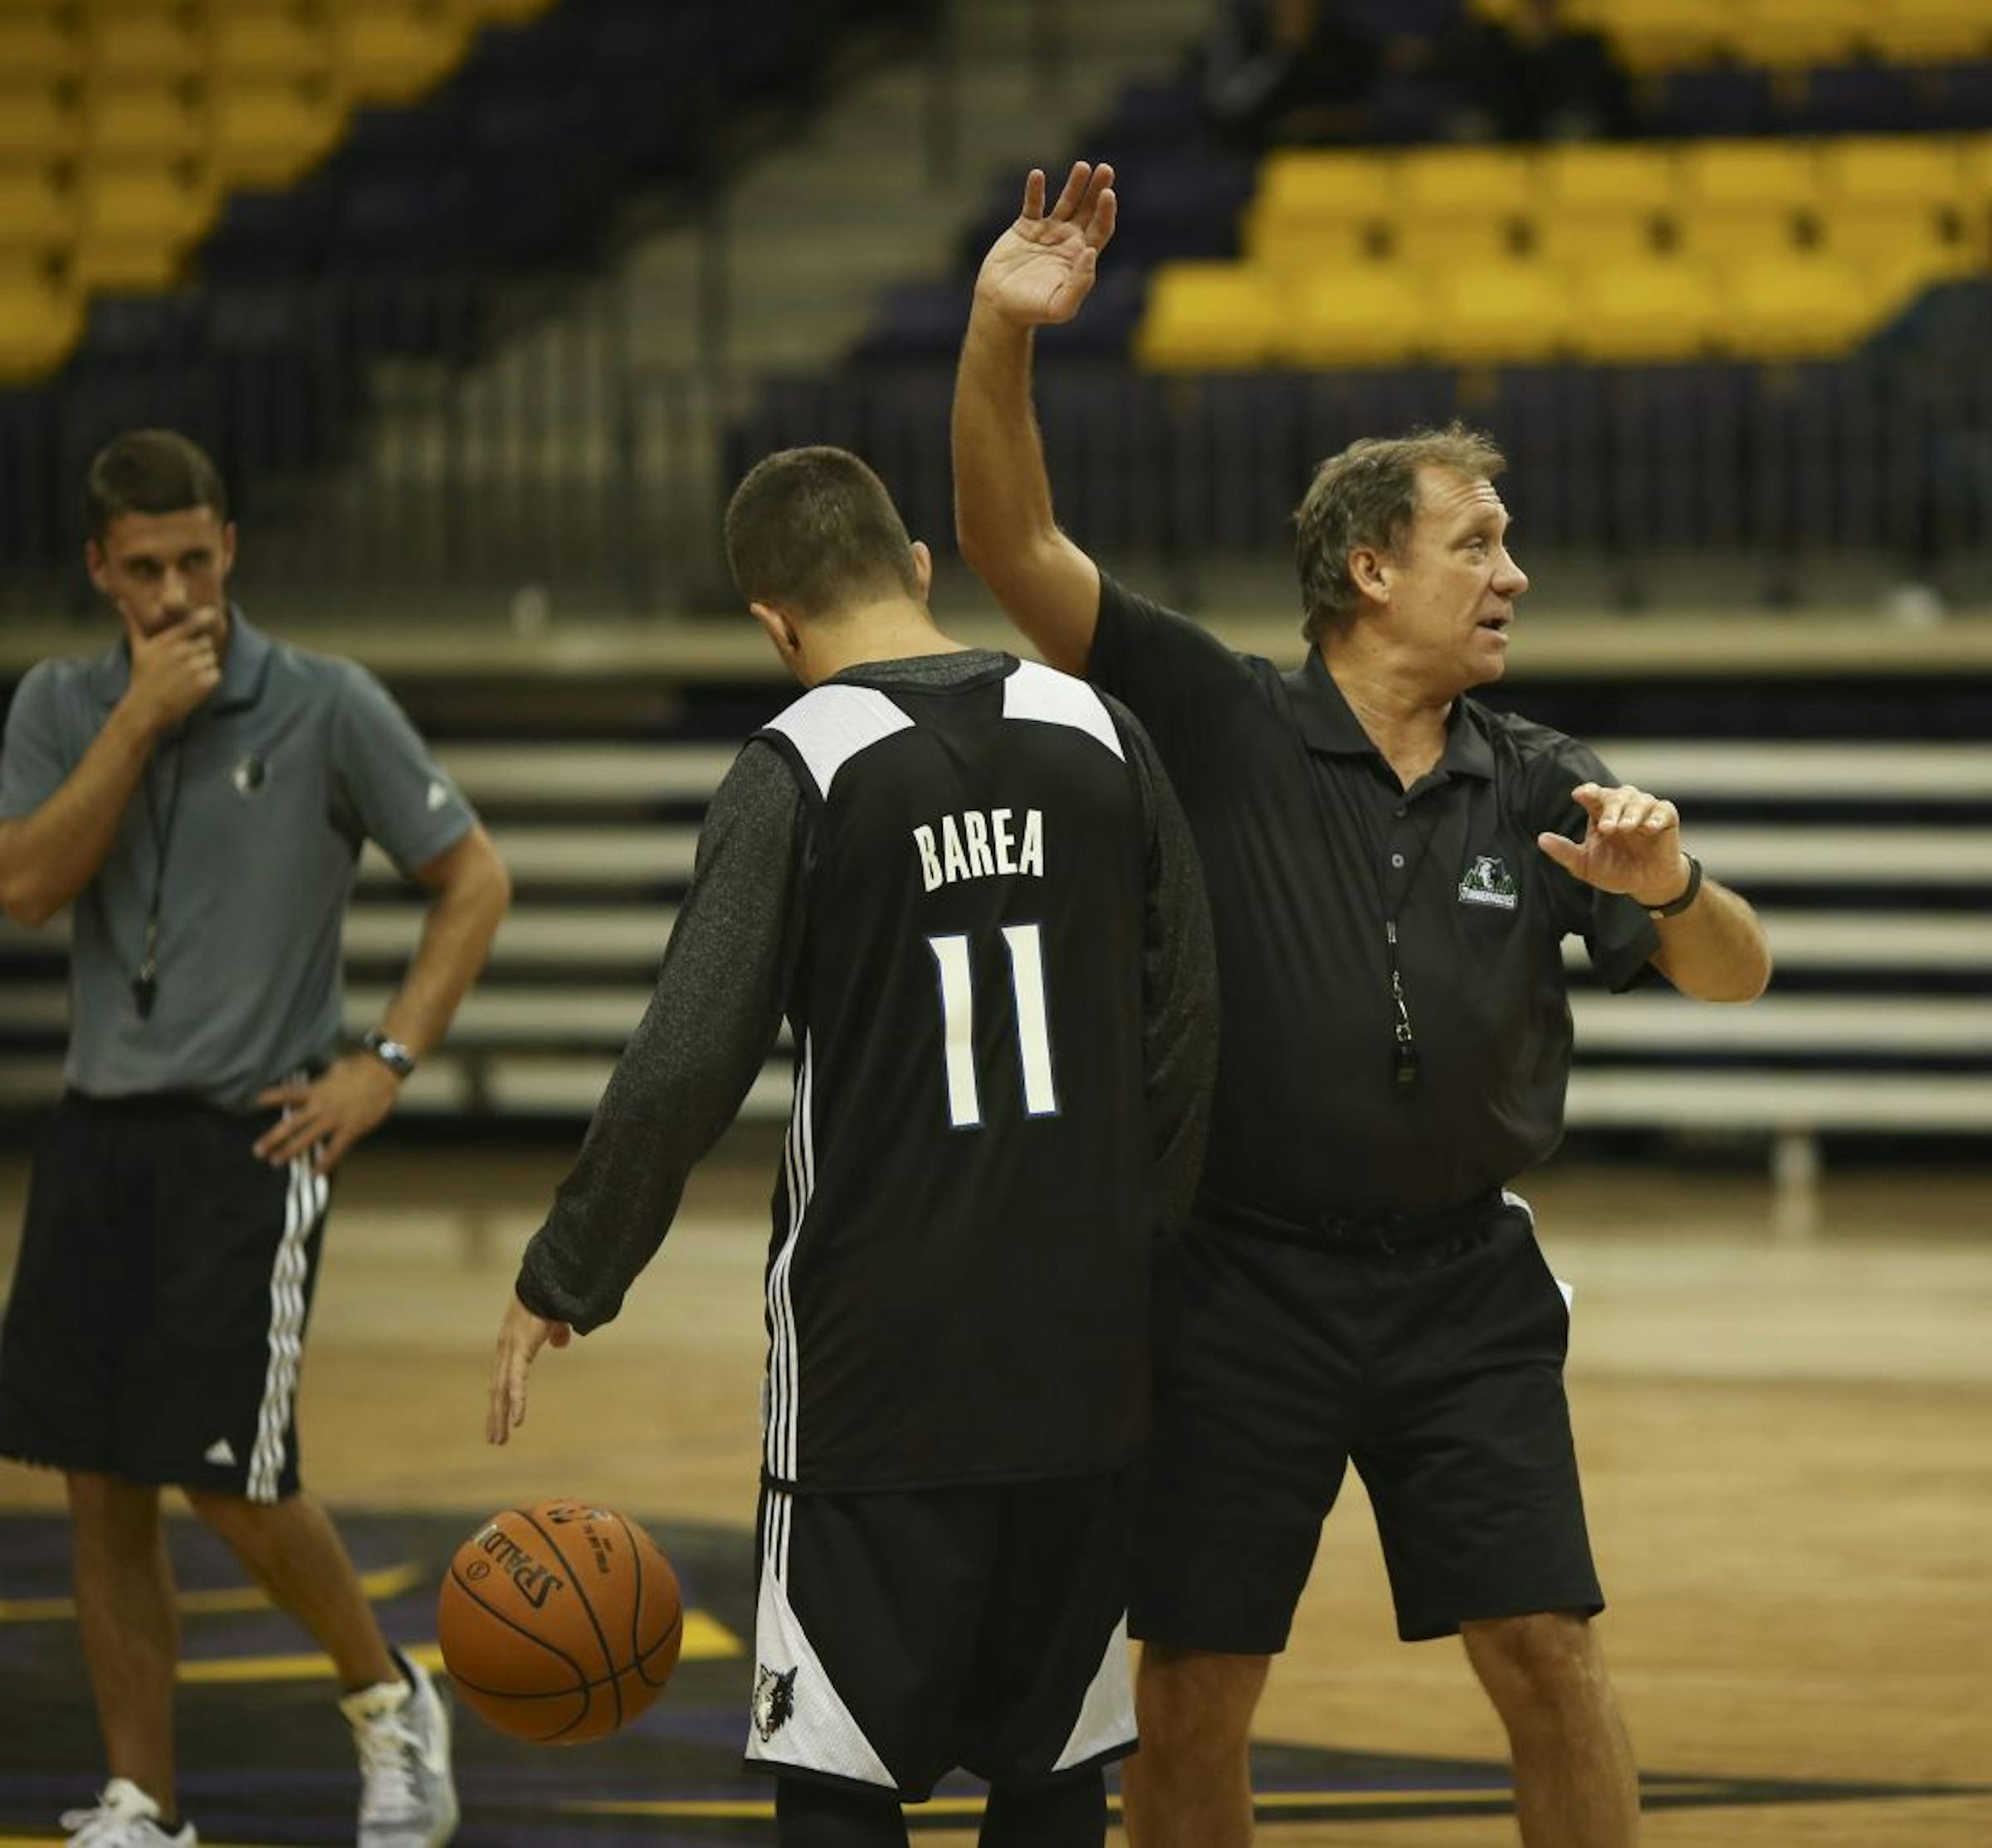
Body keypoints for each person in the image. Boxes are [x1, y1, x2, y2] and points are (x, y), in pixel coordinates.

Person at [952, 164, 1774, 1848]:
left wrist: (1672, 890)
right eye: (1478, 544)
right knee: (1189, 1692)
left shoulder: (1545, 777)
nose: (1514, 576)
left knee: (1549, 1656)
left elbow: (1735, 969)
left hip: (1468, 1291)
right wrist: (997, 335)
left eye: (1509, 545)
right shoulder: (1220, 717)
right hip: (1236, 1284)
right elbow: (1008, 545)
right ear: (1363, 569)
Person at [486, 446, 1217, 1848]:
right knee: (1053, 1768)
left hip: (876, 1374)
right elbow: (1188, 1025)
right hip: (1085, 1351)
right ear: (921, 569)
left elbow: (685, 1059)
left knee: (838, 1771)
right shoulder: (1101, 727)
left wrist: (565, 1271)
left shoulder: (797, 765)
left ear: (774, 624)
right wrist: (1137, 1247)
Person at [0, 430, 511, 1848]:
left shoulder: (326, 704)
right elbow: (30, 886)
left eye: (195, 559)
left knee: (230, 1476)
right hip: (100, 1134)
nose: (176, 593)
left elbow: (473, 880)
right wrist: (136, 724)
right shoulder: (58, 703)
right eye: (144, 568)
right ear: (101, 570)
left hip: (257, 1141)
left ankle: (389, 1696)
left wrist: (385, 1063)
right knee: (100, 1483)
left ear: (231, 547)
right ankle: (145, 1803)